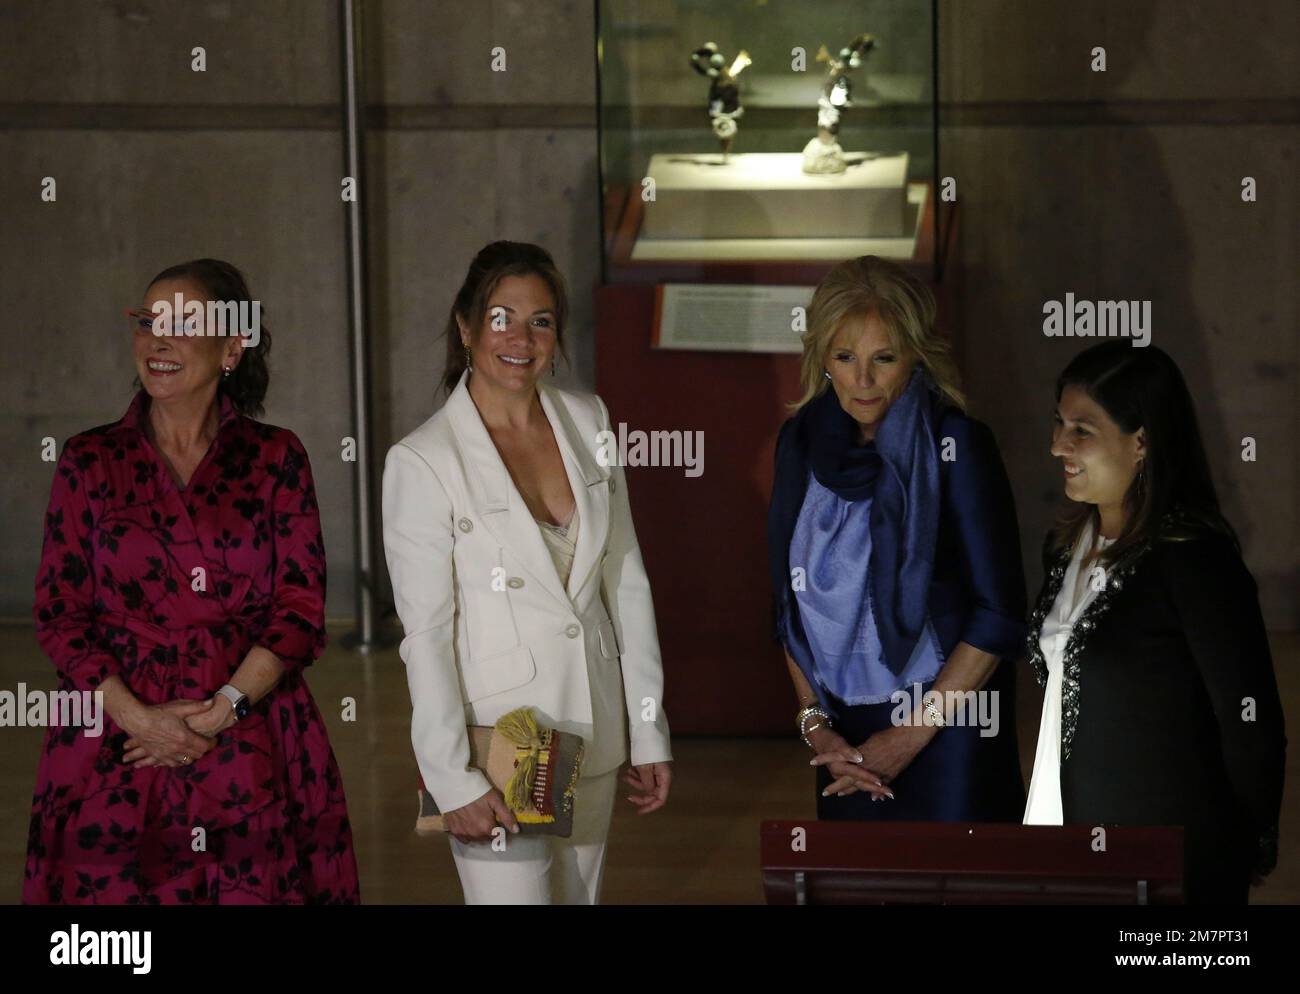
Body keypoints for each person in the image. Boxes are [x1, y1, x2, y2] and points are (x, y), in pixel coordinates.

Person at [25, 259, 359, 904]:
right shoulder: (89, 459)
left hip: (251, 727)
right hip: (115, 741)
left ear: (234, 345)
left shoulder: (276, 456)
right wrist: (138, 719)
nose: (158, 340)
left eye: (183, 323)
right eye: (148, 322)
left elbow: (299, 608)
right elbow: (60, 612)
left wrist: (224, 708)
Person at [382, 241, 672, 904]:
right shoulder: (421, 460)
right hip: (499, 746)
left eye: (540, 321)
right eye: (500, 317)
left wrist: (648, 727)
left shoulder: (589, 418)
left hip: (593, 729)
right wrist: (451, 777)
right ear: (465, 327)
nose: (520, 337)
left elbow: (625, 582)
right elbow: (424, 635)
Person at [1023, 340, 1285, 903]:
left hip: (1169, 862)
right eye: (1058, 424)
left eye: (1082, 430)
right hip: (1066, 838)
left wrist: (1248, 842)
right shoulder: (1066, 548)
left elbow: (1252, 724)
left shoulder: (1195, 559)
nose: (1057, 445)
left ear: (1141, 441)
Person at [768, 255, 1026, 821]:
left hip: (949, 729)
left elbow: (1000, 614)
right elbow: (787, 605)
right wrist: (816, 726)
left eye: (883, 358)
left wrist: (908, 736)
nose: (862, 380)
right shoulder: (799, 442)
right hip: (842, 734)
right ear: (822, 359)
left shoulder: (957, 444)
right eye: (844, 357)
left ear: (916, 355)